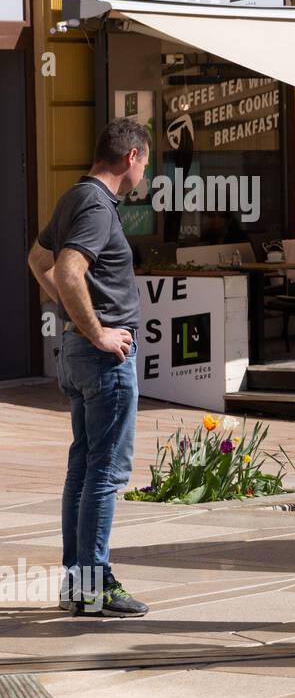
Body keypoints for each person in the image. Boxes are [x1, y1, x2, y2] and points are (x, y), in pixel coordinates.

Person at [26, 118, 152, 617]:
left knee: (82, 468)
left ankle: (78, 583)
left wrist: (78, 318)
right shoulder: (99, 207)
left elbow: (39, 260)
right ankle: (93, 584)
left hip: (77, 354)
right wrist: (97, 328)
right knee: (104, 472)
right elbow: (69, 267)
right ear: (131, 158)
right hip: (102, 357)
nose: (145, 171)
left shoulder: (73, 197)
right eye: (146, 161)